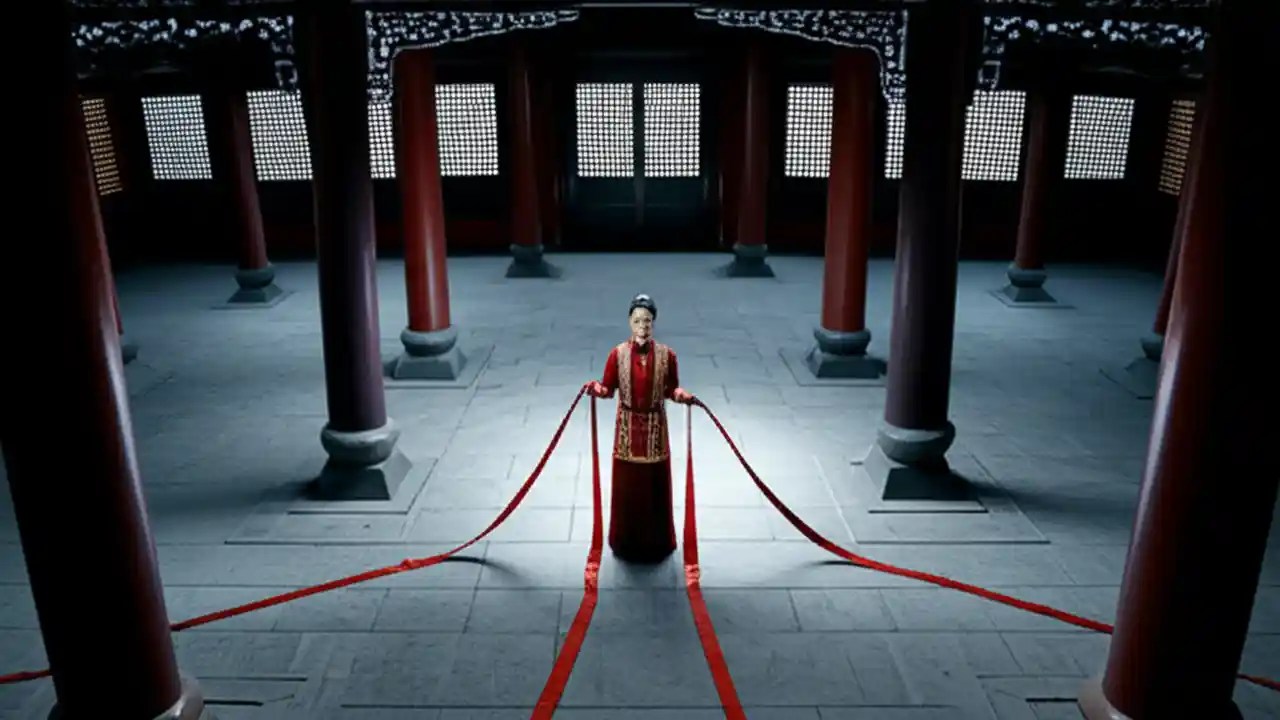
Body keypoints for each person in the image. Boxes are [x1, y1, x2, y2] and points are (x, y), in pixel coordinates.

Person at [587, 293, 695, 562]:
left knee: (654, 487)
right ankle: (625, 543)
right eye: (637, 321)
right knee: (627, 487)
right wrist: (595, 389)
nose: (642, 326)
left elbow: (672, 388)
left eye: (647, 321)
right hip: (627, 429)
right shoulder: (617, 354)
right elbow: (608, 388)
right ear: (629, 323)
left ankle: (657, 544)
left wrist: (682, 396)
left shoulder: (667, 356)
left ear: (653, 323)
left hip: (656, 428)